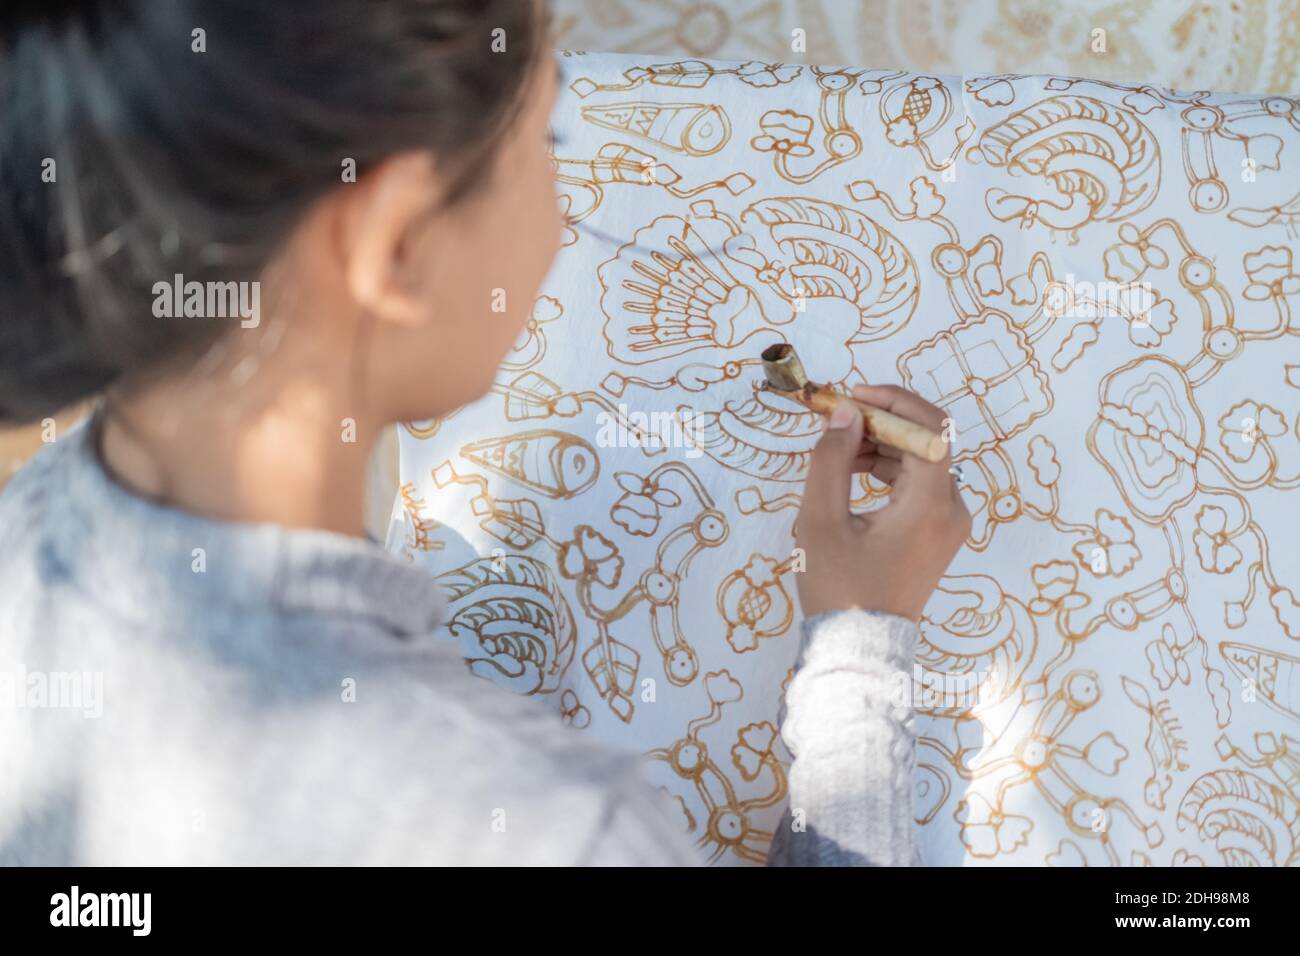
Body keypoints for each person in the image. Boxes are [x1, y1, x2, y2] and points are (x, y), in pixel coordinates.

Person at [0, 0, 970, 865]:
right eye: (545, 139)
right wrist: (859, 647)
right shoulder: (560, 828)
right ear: (397, 244)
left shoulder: (24, 529)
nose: (567, 216)